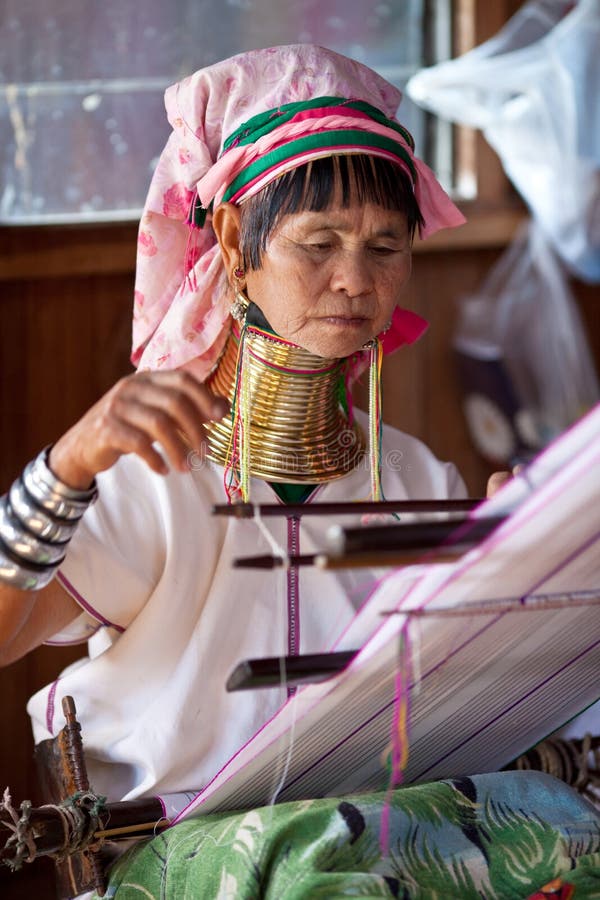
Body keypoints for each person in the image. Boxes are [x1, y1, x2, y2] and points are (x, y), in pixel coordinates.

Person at [0, 45, 597, 899]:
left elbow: (471, 708)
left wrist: (519, 579)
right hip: (179, 858)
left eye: (386, 247)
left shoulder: (418, 478)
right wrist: (64, 472)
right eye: (317, 242)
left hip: (380, 847)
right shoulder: (151, 476)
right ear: (236, 243)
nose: (355, 279)